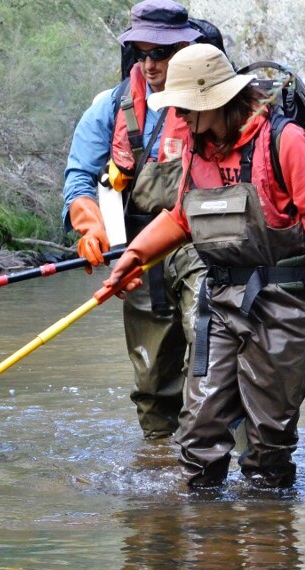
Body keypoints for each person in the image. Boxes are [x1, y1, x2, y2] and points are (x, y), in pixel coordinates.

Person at [104, 43, 305, 489]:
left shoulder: (284, 141)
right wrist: (134, 256)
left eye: (185, 106)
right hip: (221, 299)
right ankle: (204, 523)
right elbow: (182, 217)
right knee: (198, 429)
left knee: (268, 439)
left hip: (286, 303)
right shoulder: (196, 148)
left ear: (216, 100)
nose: (178, 116)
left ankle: (269, 522)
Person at [62, 0, 213, 440]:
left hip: (204, 246)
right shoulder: (111, 106)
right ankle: (159, 460)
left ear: (185, 48)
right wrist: (89, 224)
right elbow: (80, 174)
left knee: (211, 354)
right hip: (141, 252)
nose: (150, 64)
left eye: (161, 53)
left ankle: (220, 462)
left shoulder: (215, 101)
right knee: (151, 379)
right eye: (142, 53)